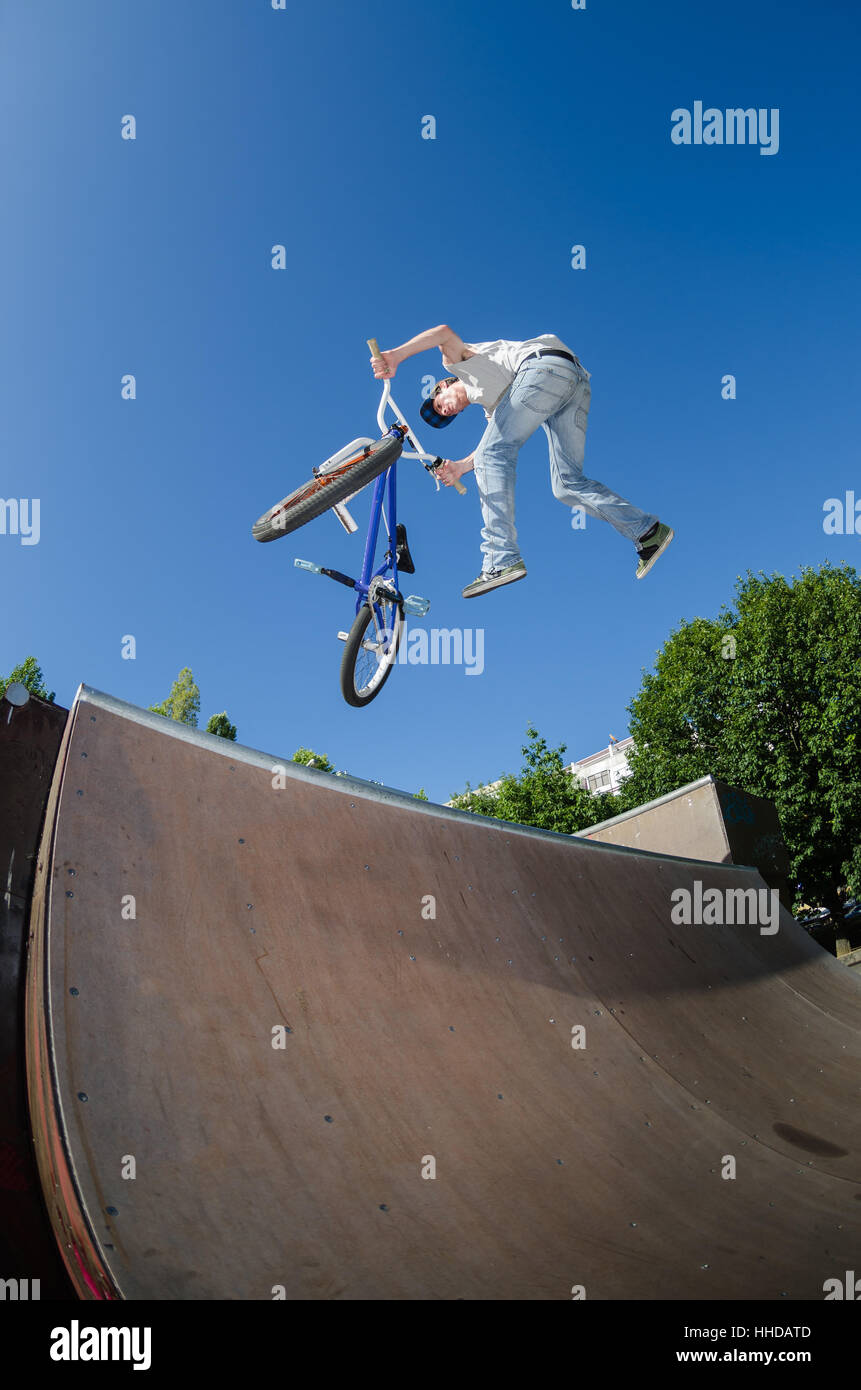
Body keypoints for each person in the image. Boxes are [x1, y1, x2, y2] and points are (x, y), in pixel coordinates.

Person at [370, 325, 673, 598]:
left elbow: (443, 333)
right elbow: (492, 444)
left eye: (439, 403)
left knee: (494, 453)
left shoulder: (459, 363)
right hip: (573, 382)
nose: (445, 410)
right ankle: (647, 533)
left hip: (541, 367)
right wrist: (460, 466)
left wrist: (396, 355)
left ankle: (500, 558)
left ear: (444, 385)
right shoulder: (493, 406)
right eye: (445, 415)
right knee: (566, 484)